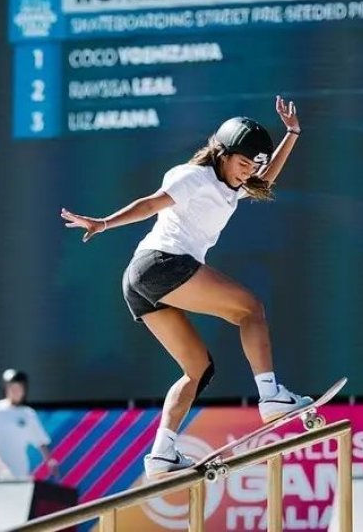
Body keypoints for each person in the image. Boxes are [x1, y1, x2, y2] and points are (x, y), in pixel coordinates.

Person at [61, 96, 314, 478]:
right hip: (162, 263)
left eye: (251, 167)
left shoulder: (233, 185)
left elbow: (268, 175)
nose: (247, 174)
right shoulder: (194, 176)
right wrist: (104, 223)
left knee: (197, 369)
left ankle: (162, 454)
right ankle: (270, 395)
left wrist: (292, 133)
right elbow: (150, 204)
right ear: (222, 154)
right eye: (243, 164)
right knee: (251, 309)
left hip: (141, 281)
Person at [0, 369, 59, 480]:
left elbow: (41, 441)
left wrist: (50, 460)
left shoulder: (28, 414)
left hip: (19, 474)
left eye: (19, 388)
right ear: (6, 389)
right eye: (12, 388)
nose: (16, 391)